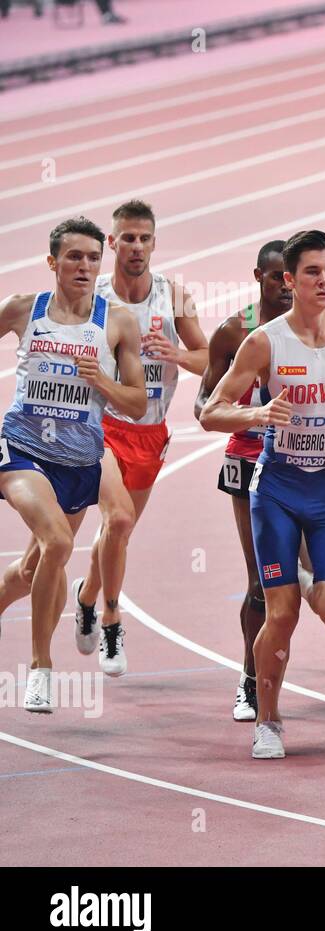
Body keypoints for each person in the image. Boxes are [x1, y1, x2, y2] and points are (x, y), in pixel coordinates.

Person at [200, 229, 325, 759]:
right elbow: (212, 411)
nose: (323, 282)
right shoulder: (265, 341)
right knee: (281, 615)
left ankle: (299, 576)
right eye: (311, 273)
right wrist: (256, 414)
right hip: (276, 489)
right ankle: (269, 721)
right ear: (289, 280)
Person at [0, 217, 145, 712]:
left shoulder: (118, 321)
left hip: (80, 459)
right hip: (21, 449)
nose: (84, 266)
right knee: (58, 541)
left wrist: (101, 382)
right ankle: (40, 668)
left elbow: (137, 403)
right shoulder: (24, 309)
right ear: (52, 262)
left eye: (91, 258)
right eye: (73, 257)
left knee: (31, 568)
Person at [72, 200, 207, 678]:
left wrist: (176, 353)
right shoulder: (96, 296)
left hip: (151, 431)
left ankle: (86, 597)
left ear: (154, 243)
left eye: (144, 238)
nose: (135, 246)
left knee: (117, 532)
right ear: (111, 243)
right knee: (120, 521)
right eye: (126, 238)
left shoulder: (175, 297)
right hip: (102, 425)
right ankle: (111, 618)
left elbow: (209, 358)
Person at [197, 240, 293, 721]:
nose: (284, 284)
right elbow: (203, 405)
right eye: (275, 276)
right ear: (259, 276)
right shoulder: (233, 333)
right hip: (249, 459)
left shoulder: (315, 330)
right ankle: (250, 681)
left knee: (302, 583)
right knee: (260, 582)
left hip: (303, 462)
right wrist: (252, 414)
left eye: (288, 275)